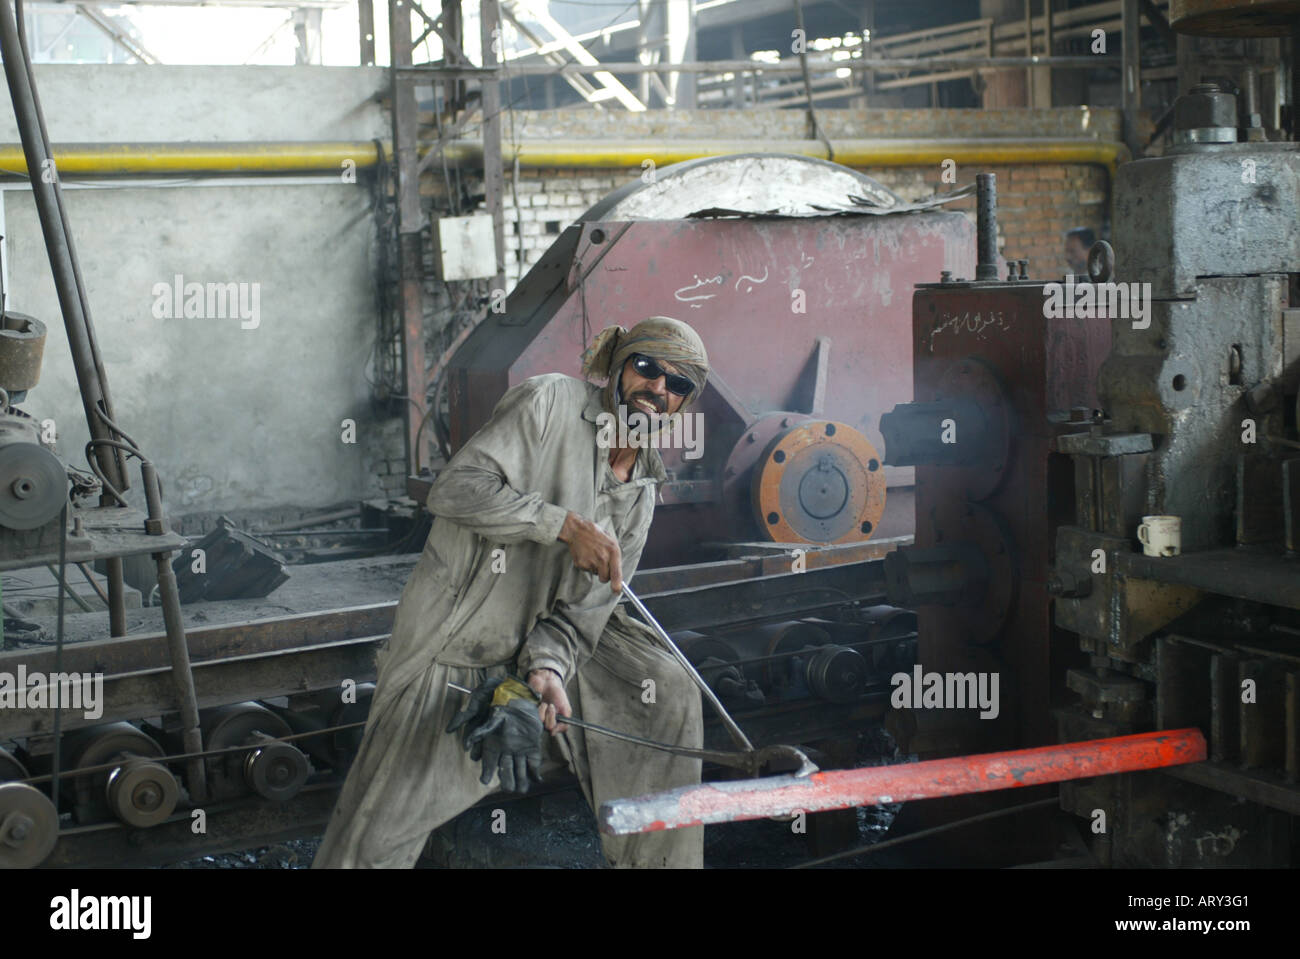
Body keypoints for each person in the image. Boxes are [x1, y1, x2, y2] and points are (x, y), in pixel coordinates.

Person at [312, 315, 710, 869]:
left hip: (533, 644)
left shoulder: (643, 489)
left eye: (677, 385)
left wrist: (544, 671)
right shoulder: (550, 402)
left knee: (663, 689)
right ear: (619, 368)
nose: (657, 390)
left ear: (684, 404)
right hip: (457, 642)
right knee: (374, 838)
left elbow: (584, 616)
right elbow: (454, 490)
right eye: (647, 369)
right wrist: (563, 526)